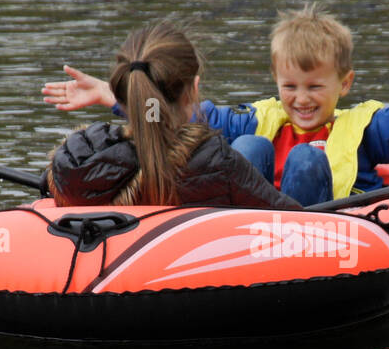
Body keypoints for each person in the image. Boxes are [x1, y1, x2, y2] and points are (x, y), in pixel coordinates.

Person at [43, 4, 389, 205]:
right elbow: (179, 112)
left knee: (307, 157)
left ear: (344, 84)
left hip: (320, 235)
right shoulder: (259, 117)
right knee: (246, 146)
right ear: (277, 82)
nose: (301, 99)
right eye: (290, 86)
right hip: (245, 235)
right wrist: (117, 98)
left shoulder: (365, 129)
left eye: (315, 87)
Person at [41, 22, 299, 210]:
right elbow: (291, 218)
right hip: (211, 276)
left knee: (255, 147)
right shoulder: (216, 161)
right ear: (193, 90)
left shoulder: (74, 162)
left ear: (125, 95)